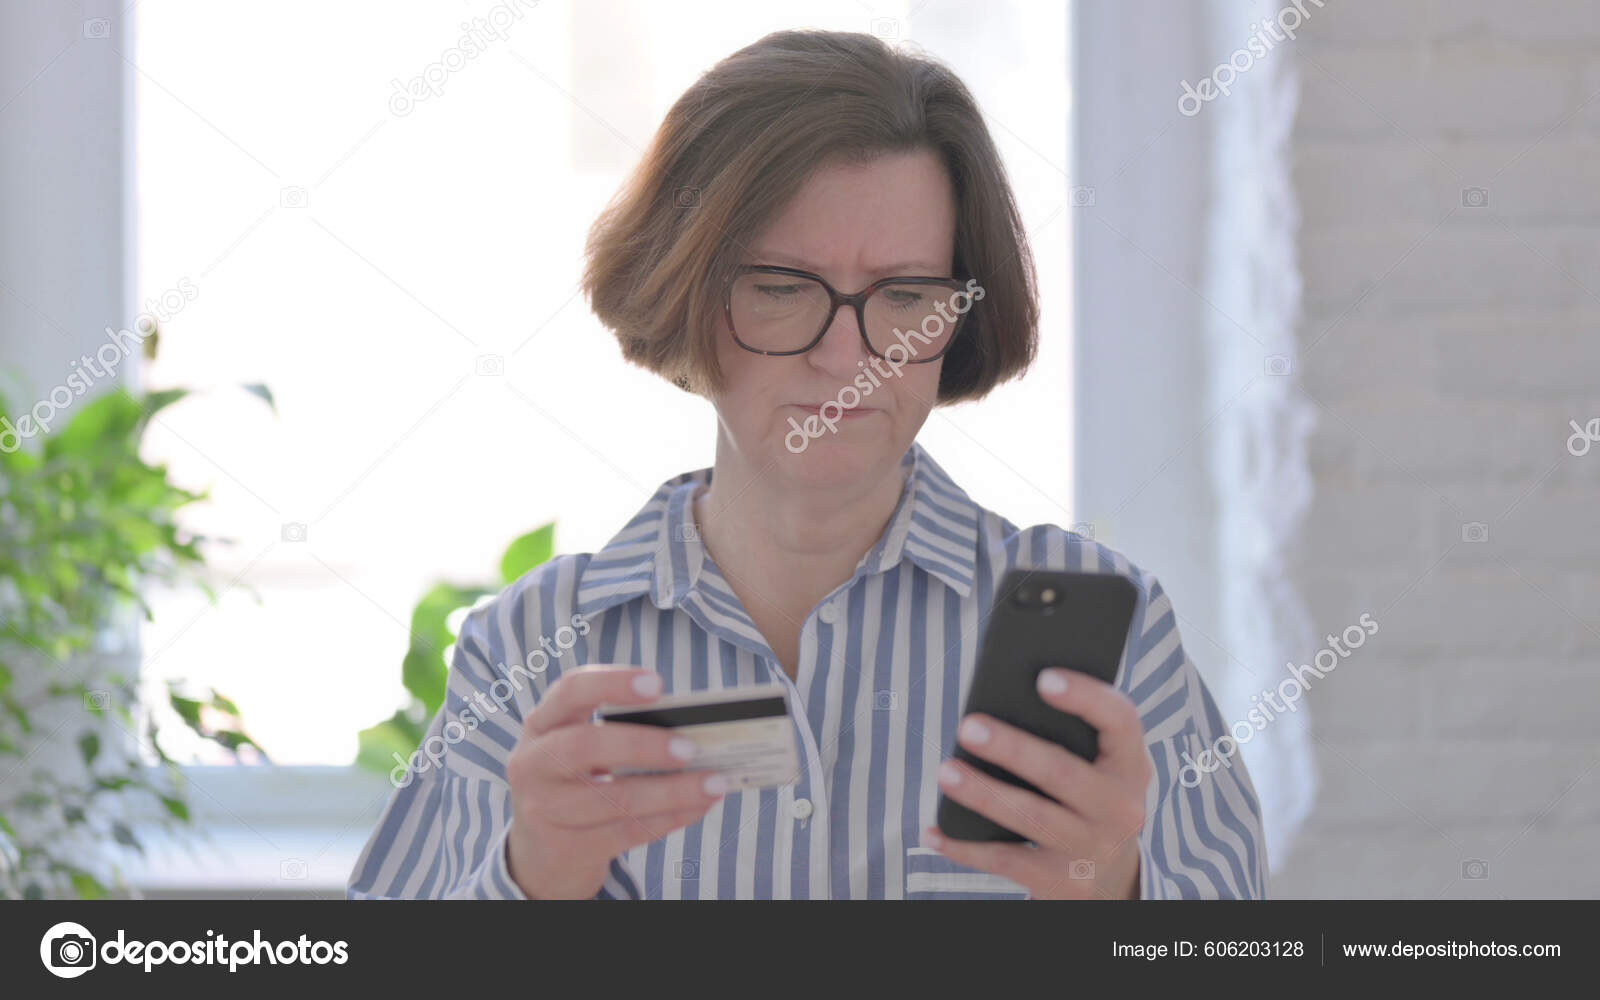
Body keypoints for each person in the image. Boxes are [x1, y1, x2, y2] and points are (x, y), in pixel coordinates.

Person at [349, 29, 1265, 900]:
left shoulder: (1113, 641)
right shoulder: (529, 647)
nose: (849, 356)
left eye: (906, 296)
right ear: (685, 293)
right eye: (784, 289)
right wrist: (531, 879)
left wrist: (1115, 894)